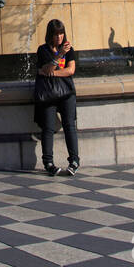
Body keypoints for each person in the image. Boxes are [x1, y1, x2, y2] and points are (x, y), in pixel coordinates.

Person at [34, 19, 79, 177]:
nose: (59, 37)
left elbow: (70, 70)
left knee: (69, 126)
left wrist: (51, 73)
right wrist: (59, 55)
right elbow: (46, 67)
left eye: (61, 33)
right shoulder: (43, 50)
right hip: (48, 94)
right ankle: (48, 163)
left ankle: (74, 161)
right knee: (48, 128)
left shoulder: (69, 49)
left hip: (66, 93)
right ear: (50, 35)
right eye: (56, 34)